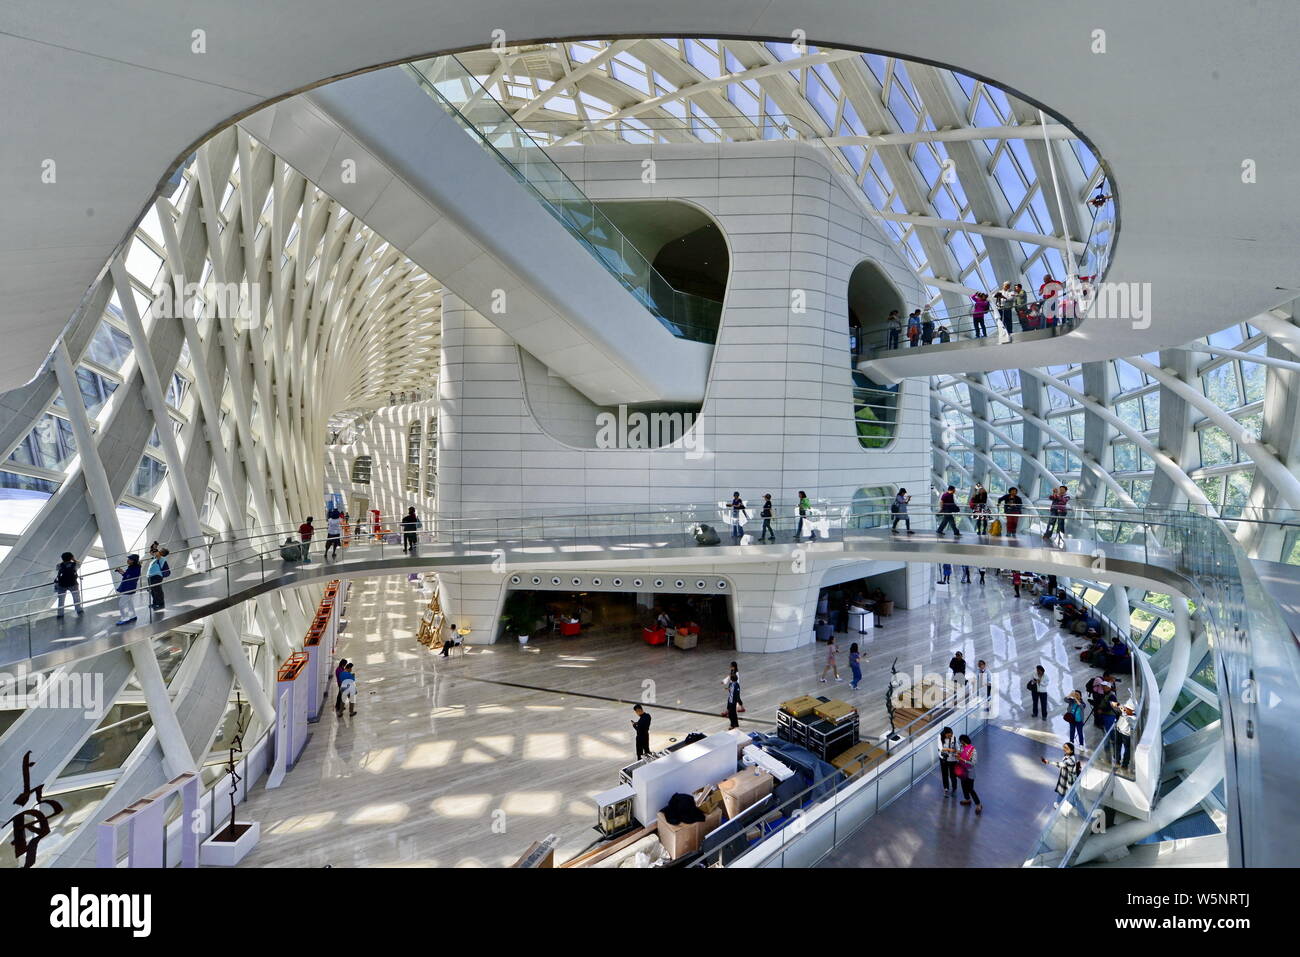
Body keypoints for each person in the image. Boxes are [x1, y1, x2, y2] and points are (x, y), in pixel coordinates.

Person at [1042, 742, 1080, 807]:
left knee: (1068, 794)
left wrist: (1049, 762)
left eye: (1066, 748)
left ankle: (1074, 805)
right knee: (1062, 792)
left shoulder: (1071, 760)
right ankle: (1058, 803)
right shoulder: (1067, 756)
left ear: (1071, 750)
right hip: (1064, 779)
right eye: (1064, 747)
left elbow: (1062, 764)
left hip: (1068, 780)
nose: (1064, 749)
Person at [955, 734, 982, 813]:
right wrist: (958, 755)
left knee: (970, 789)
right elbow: (960, 754)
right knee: (963, 786)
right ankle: (967, 799)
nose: (960, 743)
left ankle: (978, 804)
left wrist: (962, 759)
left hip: (970, 772)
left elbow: (973, 763)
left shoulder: (973, 750)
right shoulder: (962, 748)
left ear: (963, 741)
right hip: (962, 771)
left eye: (960, 742)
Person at [113, 554, 142, 626]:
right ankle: (133, 616)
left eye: (129, 559)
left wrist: (124, 573)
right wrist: (121, 572)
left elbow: (130, 577)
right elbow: (127, 575)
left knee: (122, 604)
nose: (128, 560)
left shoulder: (135, 568)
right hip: (129, 587)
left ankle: (125, 618)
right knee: (129, 602)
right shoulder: (133, 567)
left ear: (133, 561)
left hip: (129, 588)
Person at [53, 552, 83, 619]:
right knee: (76, 598)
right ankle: (78, 610)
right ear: (71, 558)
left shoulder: (59, 565)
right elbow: (79, 564)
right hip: (73, 584)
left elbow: (57, 569)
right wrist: (74, 559)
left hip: (62, 585)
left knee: (61, 600)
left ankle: (60, 614)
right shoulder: (75, 564)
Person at [1113, 697, 1136, 773]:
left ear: (1132, 710)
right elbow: (1119, 707)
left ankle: (1125, 765)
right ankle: (1117, 761)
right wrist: (1118, 705)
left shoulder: (1133, 718)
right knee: (1117, 746)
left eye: (1127, 708)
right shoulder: (1126, 711)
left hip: (1126, 735)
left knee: (1127, 750)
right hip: (1118, 730)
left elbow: (1130, 720)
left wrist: (1125, 714)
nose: (1125, 709)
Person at [937, 727, 960, 797]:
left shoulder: (954, 738)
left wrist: (957, 752)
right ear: (945, 734)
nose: (950, 736)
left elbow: (957, 747)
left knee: (953, 775)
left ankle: (954, 788)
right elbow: (940, 748)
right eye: (948, 735)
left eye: (951, 735)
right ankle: (946, 788)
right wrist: (949, 749)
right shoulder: (940, 736)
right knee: (945, 774)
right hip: (943, 758)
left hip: (952, 759)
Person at [147, 547, 170, 613]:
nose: (159, 551)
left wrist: (156, 552)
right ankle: (155, 603)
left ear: (163, 553)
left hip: (156, 576)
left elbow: (156, 554)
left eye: (161, 551)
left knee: (157, 590)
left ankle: (160, 603)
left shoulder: (162, 558)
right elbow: (152, 553)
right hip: (151, 576)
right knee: (153, 591)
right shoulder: (156, 558)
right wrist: (153, 550)